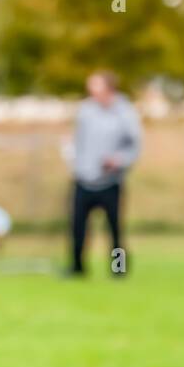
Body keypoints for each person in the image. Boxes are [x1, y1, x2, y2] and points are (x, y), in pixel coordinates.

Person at [65, 70, 141, 277]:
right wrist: (75, 163)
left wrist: (119, 160)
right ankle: (77, 267)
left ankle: (119, 268)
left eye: (96, 86)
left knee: (115, 229)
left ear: (109, 88)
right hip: (83, 178)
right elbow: (77, 142)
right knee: (78, 227)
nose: (91, 91)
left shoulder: (125, 112)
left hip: (111, 181)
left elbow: (134, 146)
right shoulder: (85, 111)